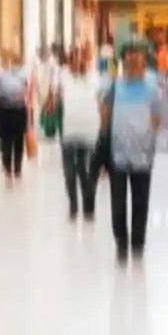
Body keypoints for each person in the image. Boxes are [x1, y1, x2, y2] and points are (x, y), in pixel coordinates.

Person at [104, 41, 163, 262]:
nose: (132, 61)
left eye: (136, 57)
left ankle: (137, 242)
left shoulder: (151, 87)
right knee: (117, 202)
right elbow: (105, 111)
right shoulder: (115, 85)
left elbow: (157, 117)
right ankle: (121, 241)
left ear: (143, 61)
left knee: (140, 201)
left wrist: (146, 137)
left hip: (143, 155)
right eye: (128, 57)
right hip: (117, 154)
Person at [60, 46, 102, 219]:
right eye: (73, 59)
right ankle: (73, 205)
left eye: (81, 59)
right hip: (69, 130)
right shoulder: (64, 76)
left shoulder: (94, 77)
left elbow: (100, 99)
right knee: (69, 173)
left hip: (89, 131)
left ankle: (88, 206)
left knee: (85, 172)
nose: (77, 62)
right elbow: (59, 94)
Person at [0, 48, 32, 178]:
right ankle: (8, 165)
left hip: (18, 109)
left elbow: (26, 90)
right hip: (4, 109)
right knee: (5, 138)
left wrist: (28, 108)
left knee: (17, 139)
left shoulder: (23, 72)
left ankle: (16, 167)